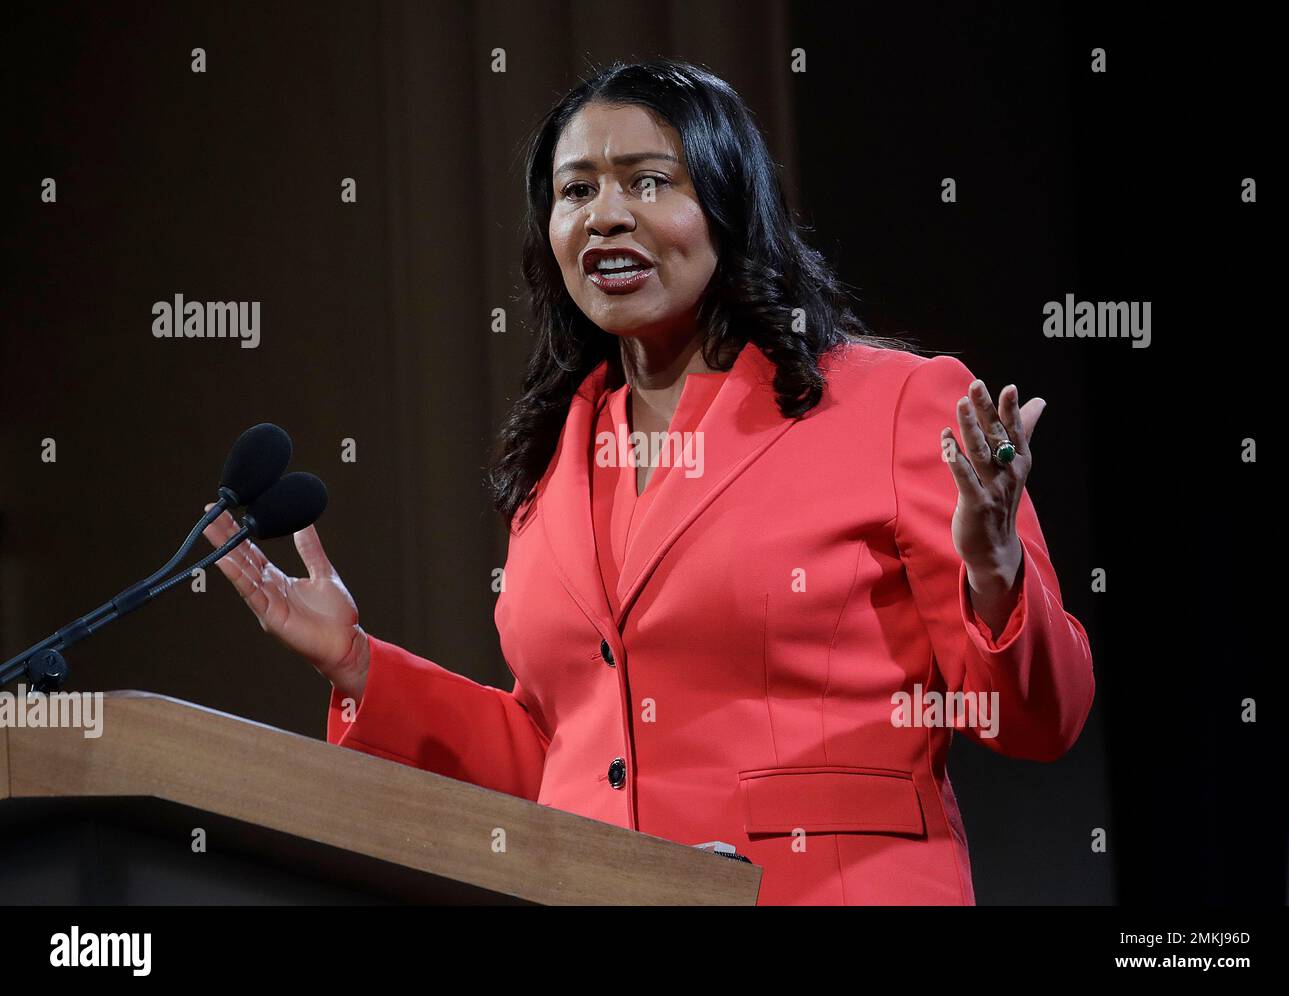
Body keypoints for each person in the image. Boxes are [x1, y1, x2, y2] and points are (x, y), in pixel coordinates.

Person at [203, 58, 1094, 905]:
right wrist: (360, 667)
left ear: (729, 204)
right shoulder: (555, 455)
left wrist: (996, 571)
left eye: (647, 181)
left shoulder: (895, 405)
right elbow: (567, 757)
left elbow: (1037, 720)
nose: (605, 216)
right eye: (576, 191)